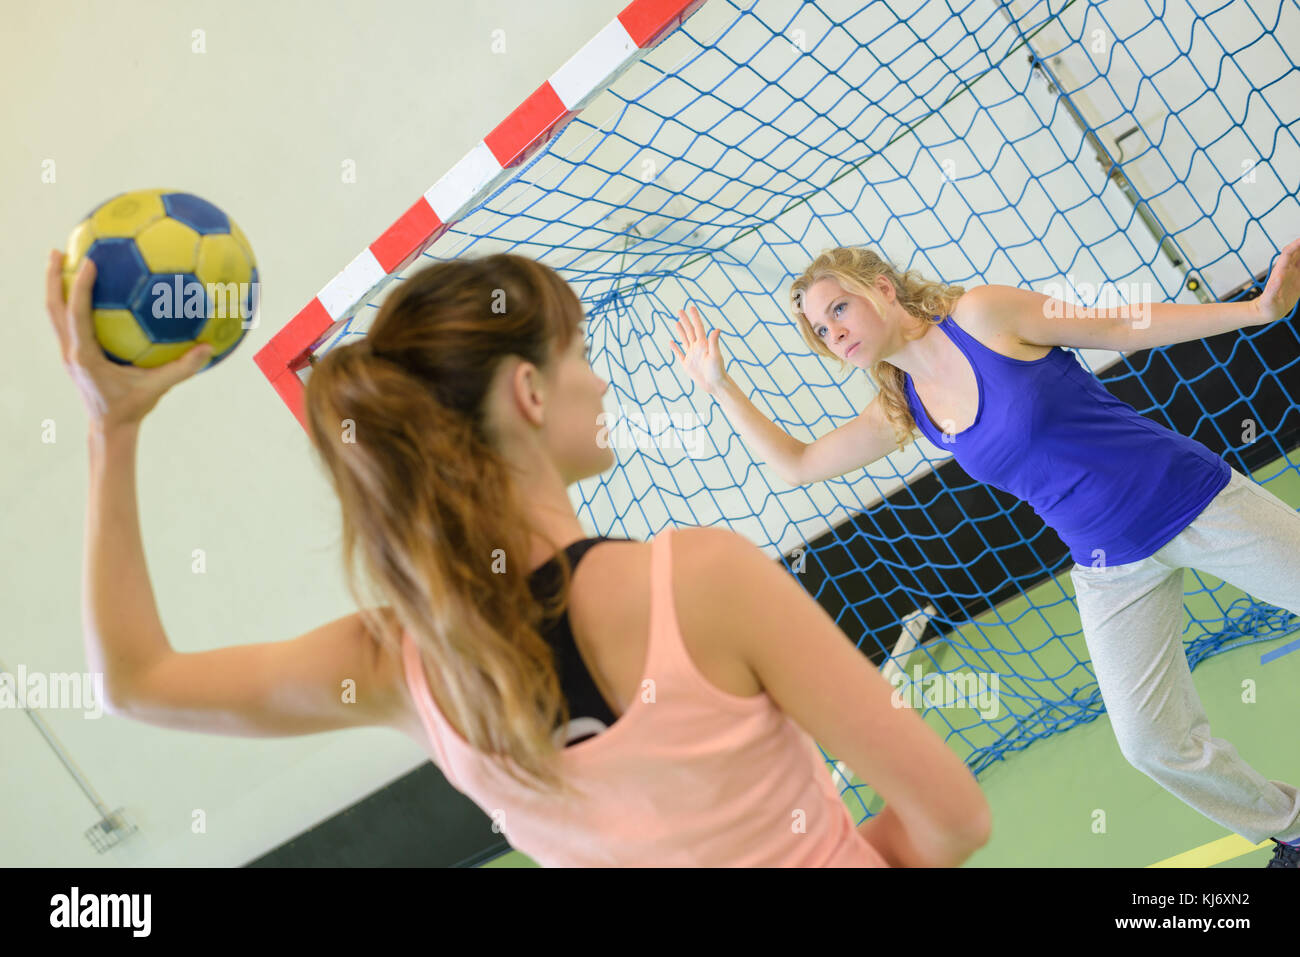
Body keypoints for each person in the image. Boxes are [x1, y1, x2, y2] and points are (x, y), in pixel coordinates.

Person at [50, 248, 990, 868]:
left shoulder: (398, 665)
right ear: (531, 392)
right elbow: (953, 817)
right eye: (581, 351)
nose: (602, 375)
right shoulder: (703, 579)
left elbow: (134, 681)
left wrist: (112, 425)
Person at [682, 243, 1300, 867]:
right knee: (1151, 742)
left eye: (839, 307)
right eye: (819, 327)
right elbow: (798, 465)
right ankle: (1291, 826)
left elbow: (1117, 326)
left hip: (1189, 499)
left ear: (884, 288)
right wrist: (719, 385)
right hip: (1108, 563)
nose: (833, 330)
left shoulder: (982, 315)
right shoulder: (903, 404)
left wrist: (1257, 310)